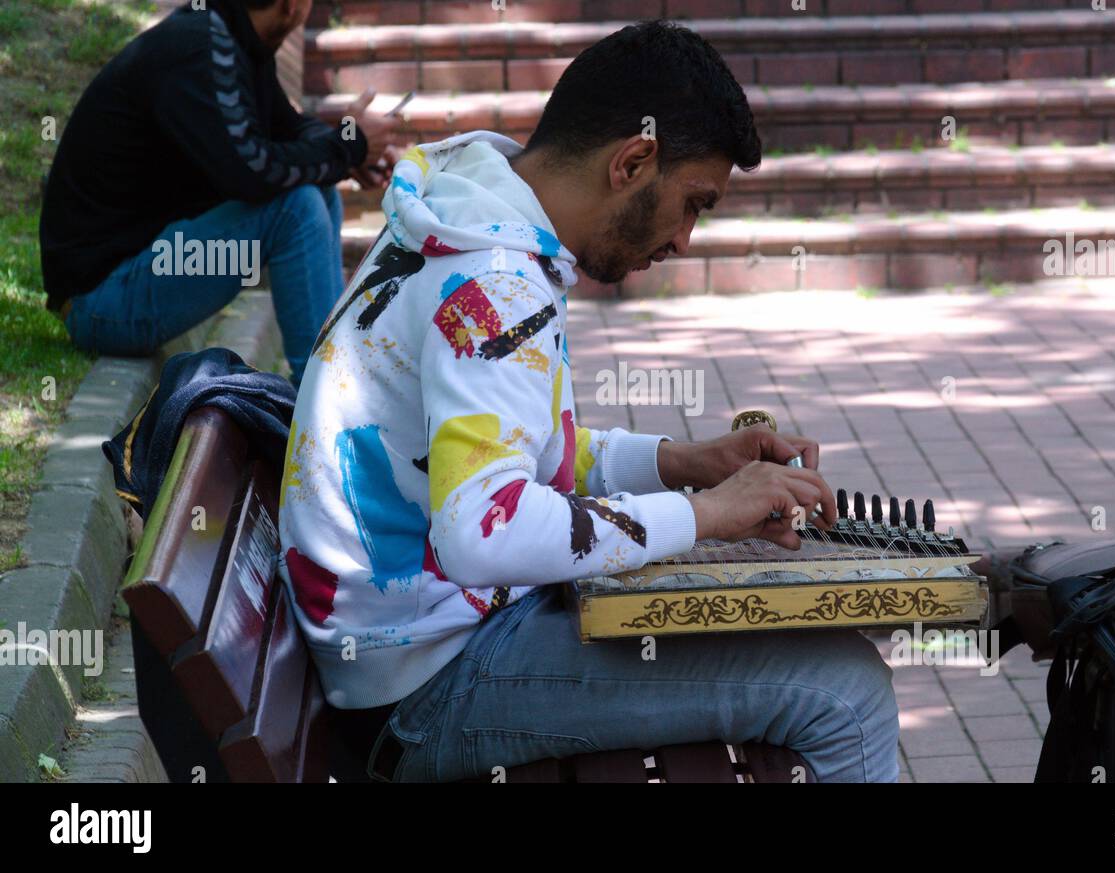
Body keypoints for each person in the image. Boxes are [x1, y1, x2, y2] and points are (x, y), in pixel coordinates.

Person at [278, 20, 900, 783]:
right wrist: (705, 514)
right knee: (843, 692)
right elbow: (484, 529)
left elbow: (518, 454)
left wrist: (681, 464)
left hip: (414, 648)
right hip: (427, 686)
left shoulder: (468, 213)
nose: (686, 238)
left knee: (833, 668)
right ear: (633, 162)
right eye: (692, 202)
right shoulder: (494, 285)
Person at [39, 0, 400, 385]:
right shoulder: (199, 51)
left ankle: (334, 383)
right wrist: (349, 147)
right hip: (101, 303)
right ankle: (325, 397)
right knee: (296, 207)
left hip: (142, 271)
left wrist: (345, 149)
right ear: (291, 4)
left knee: (314, 193)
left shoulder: (234, 40)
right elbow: (252, 173)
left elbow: (292, 132)